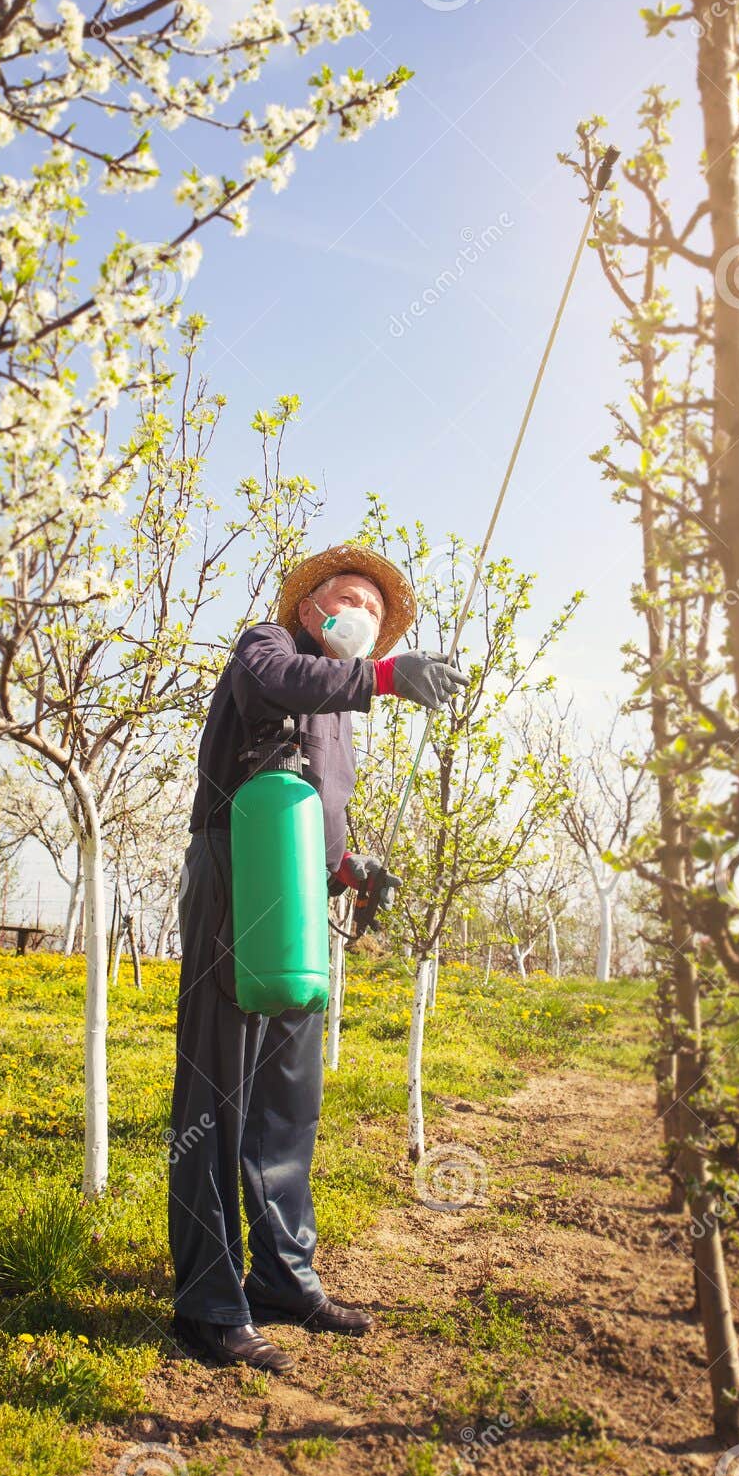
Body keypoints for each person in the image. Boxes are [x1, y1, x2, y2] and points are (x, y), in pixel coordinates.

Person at [168, 544, 468, 1374]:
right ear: (311, 610)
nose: (362, 617)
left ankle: (283, 1278)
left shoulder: (337, 713)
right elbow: (282, 688)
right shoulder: (269, 647)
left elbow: (313, 806)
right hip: (235, 871)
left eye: (374, 612)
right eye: (348, 601)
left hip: (296, 886)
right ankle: (206, 1302)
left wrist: (346, 867)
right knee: (217, 1096)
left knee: (286, 1099)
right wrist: (383, 678)